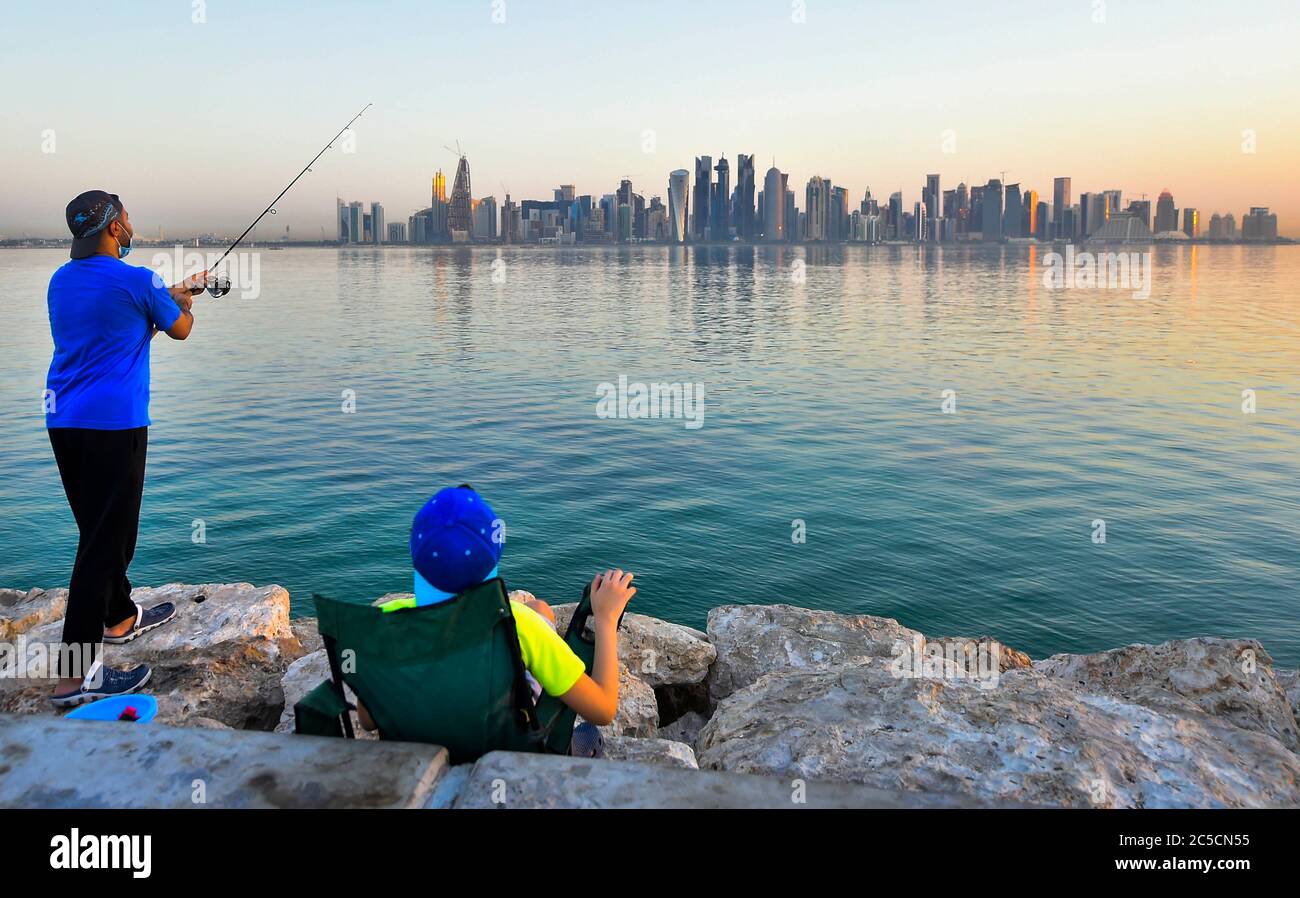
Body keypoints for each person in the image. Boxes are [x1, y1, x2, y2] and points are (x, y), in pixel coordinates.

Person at [46, 190, 207, 706]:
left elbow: (111, 330)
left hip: (64, 422)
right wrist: (180, 305)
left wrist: (164, 295)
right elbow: (178, 330)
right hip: (115, 425)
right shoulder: (140, 281)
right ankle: (75, 677)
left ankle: (118, 617)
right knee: (108, 540)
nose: (132, 225)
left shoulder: (60, 281)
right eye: (127, 218)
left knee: (97, 528)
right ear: (114, 228)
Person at [356, 485, 636, 740]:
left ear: (414, 549)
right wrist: (606, 618)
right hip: (500, 746)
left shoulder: (384, 620)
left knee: (539, 609)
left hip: (420, 753)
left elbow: (367, 721)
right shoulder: (518, 624)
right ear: (494, 553)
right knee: (538, 617)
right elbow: (603, 710)